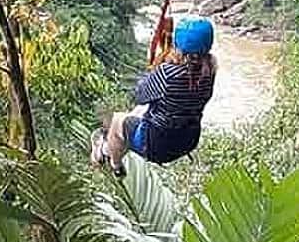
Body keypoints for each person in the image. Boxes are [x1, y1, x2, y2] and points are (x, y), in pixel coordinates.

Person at [91, 16, 216, 175]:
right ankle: (109, 150)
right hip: (187, 139)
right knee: (136, 115)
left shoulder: (167, 73)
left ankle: (113, 164)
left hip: (157, 144)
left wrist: (152, 73)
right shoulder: (210, 72)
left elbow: (140, 96)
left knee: (117, 121)